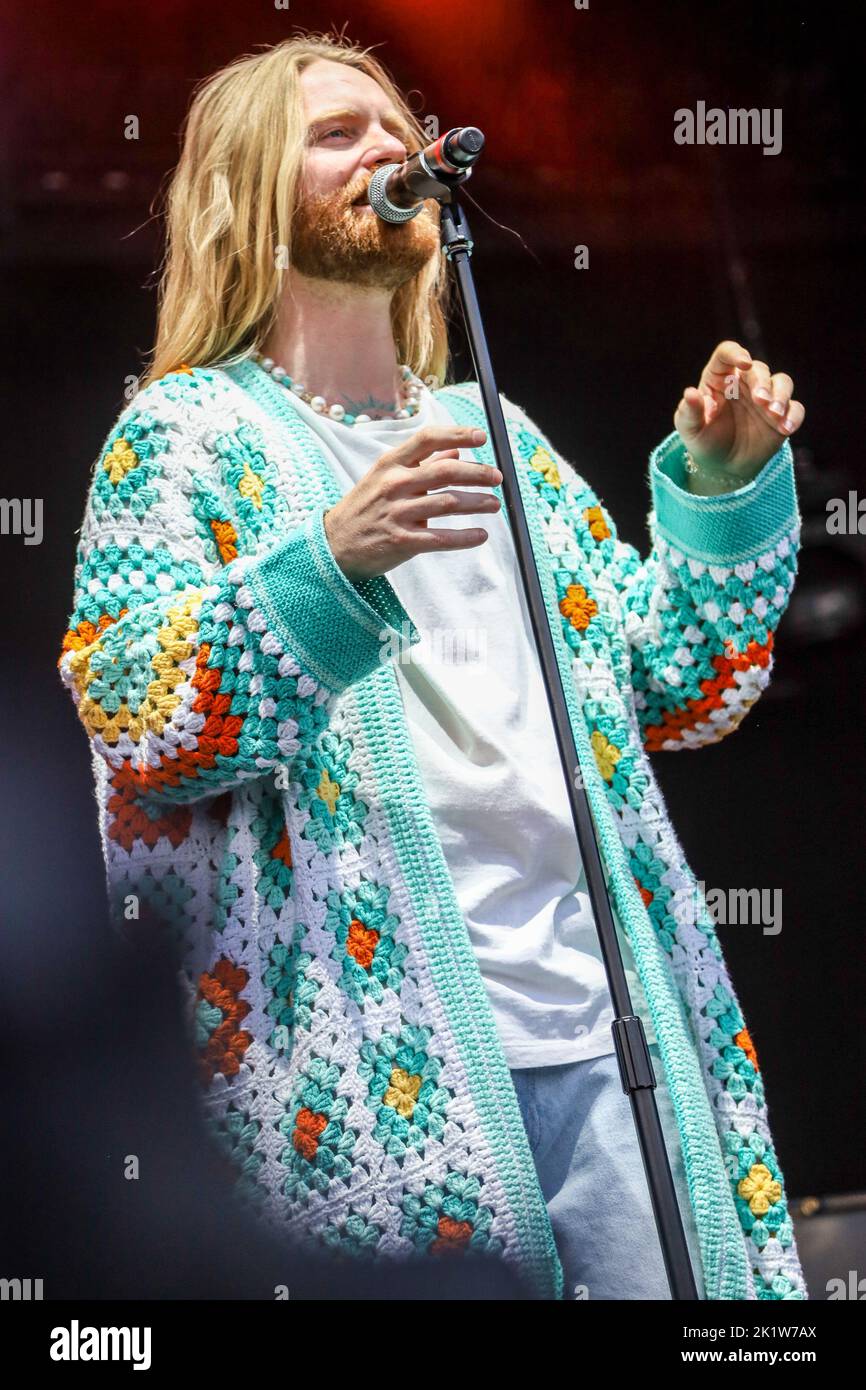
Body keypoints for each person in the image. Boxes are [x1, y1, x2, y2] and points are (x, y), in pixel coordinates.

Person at [58, 31, 808, 1300]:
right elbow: (137, 716)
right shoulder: (180, 438)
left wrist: (724, 495)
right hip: (374, 1078)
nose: (387, 150)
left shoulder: (494, 434)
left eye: (393, 125)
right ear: (244, 190)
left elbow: (675, 687)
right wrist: (327, 572)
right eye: (335, 133)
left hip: (610, 1038)